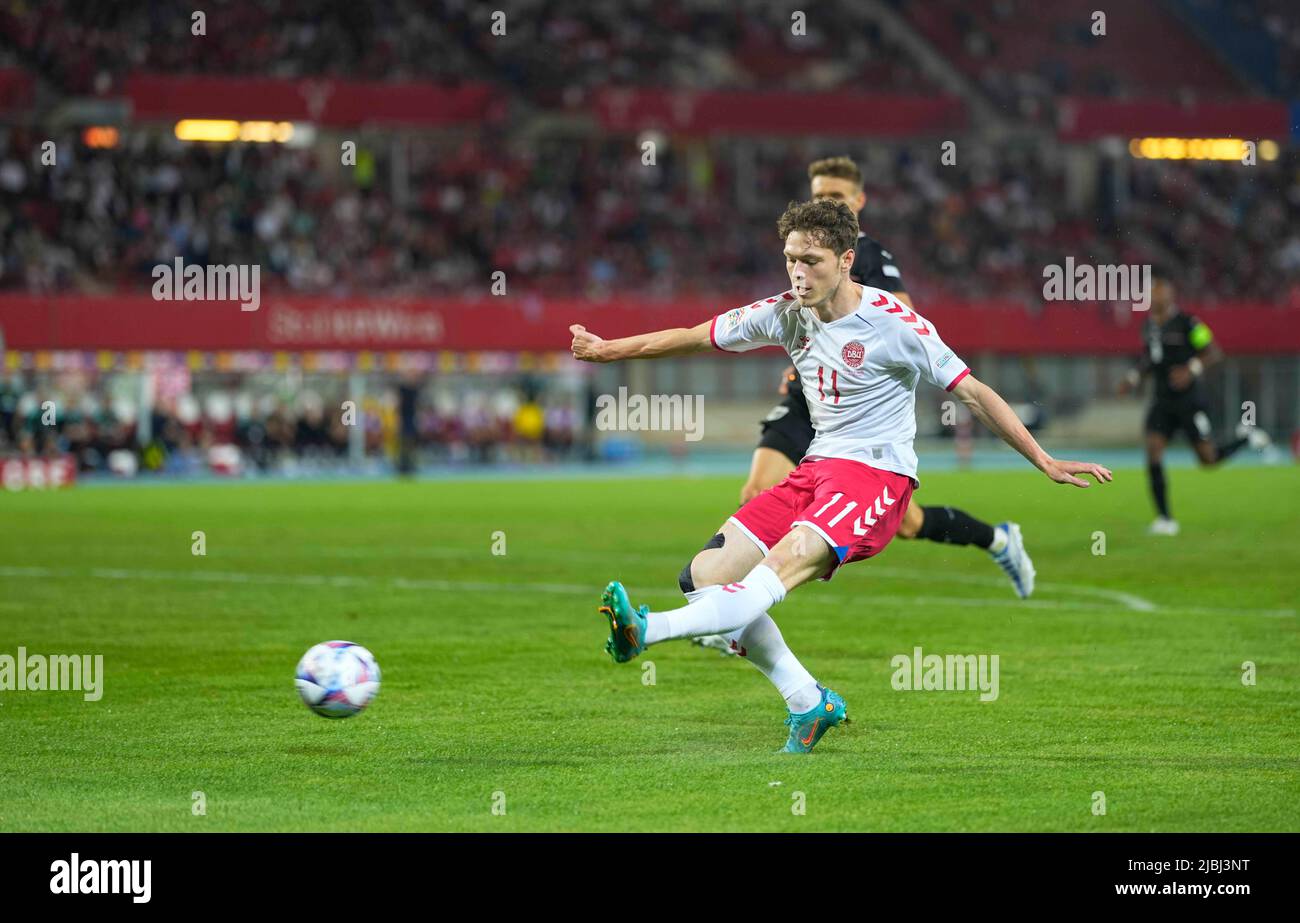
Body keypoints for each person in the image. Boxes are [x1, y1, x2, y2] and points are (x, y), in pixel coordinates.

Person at [569, 199, 1112, 752]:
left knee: (763, 582)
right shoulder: (784, 312)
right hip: (817, 468)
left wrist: (1042, 458)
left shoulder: (896, 326)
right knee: (705, 576)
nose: (799, 273)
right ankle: (808, 701)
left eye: (812, 260)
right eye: (790, 259)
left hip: (876, 476)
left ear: (847, 260)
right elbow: (694, 334)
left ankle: (644, 631)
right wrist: (609, 350)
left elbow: (971, 391)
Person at [1118, 273, 1270, 536]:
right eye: (1151, 291)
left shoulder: (1188, 323)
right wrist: (1133, 378)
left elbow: (1213, 351)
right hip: (1162, 401)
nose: (1153, 295)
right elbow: (1149, 359)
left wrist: (1191, 369)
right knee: (1153, 451)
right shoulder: (1149, 327)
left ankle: (1245, 438)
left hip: (1189, 401)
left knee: (1208, 459)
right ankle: (1165, 519)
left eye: (1158, 290)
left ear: (1170, 295)